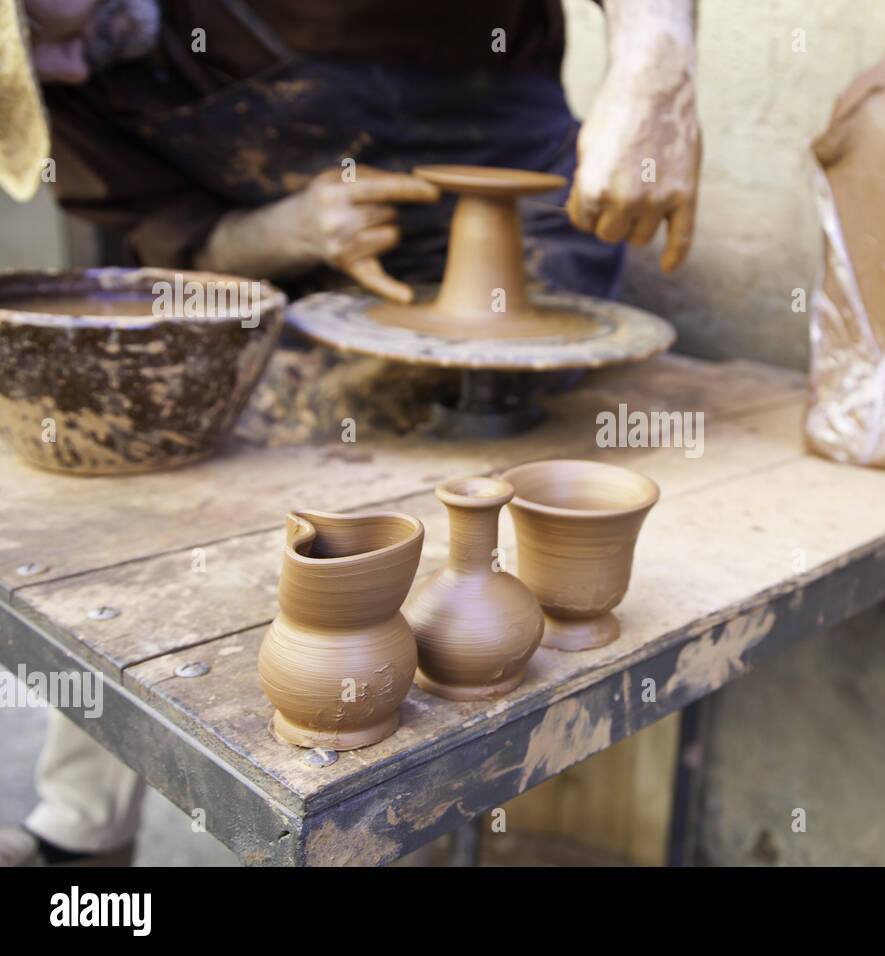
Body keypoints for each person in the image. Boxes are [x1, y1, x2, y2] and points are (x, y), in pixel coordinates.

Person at [0, 0, 701, 866]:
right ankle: (80, 829)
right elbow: (182, 244)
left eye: (37, 25)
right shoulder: (73, 87)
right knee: (175, 493)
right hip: (315, 271)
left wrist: (654, 63)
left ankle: (400, 824)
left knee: (439, 491)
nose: (59, 71)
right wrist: (283, 229)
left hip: (518, 251)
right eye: (28, 65)